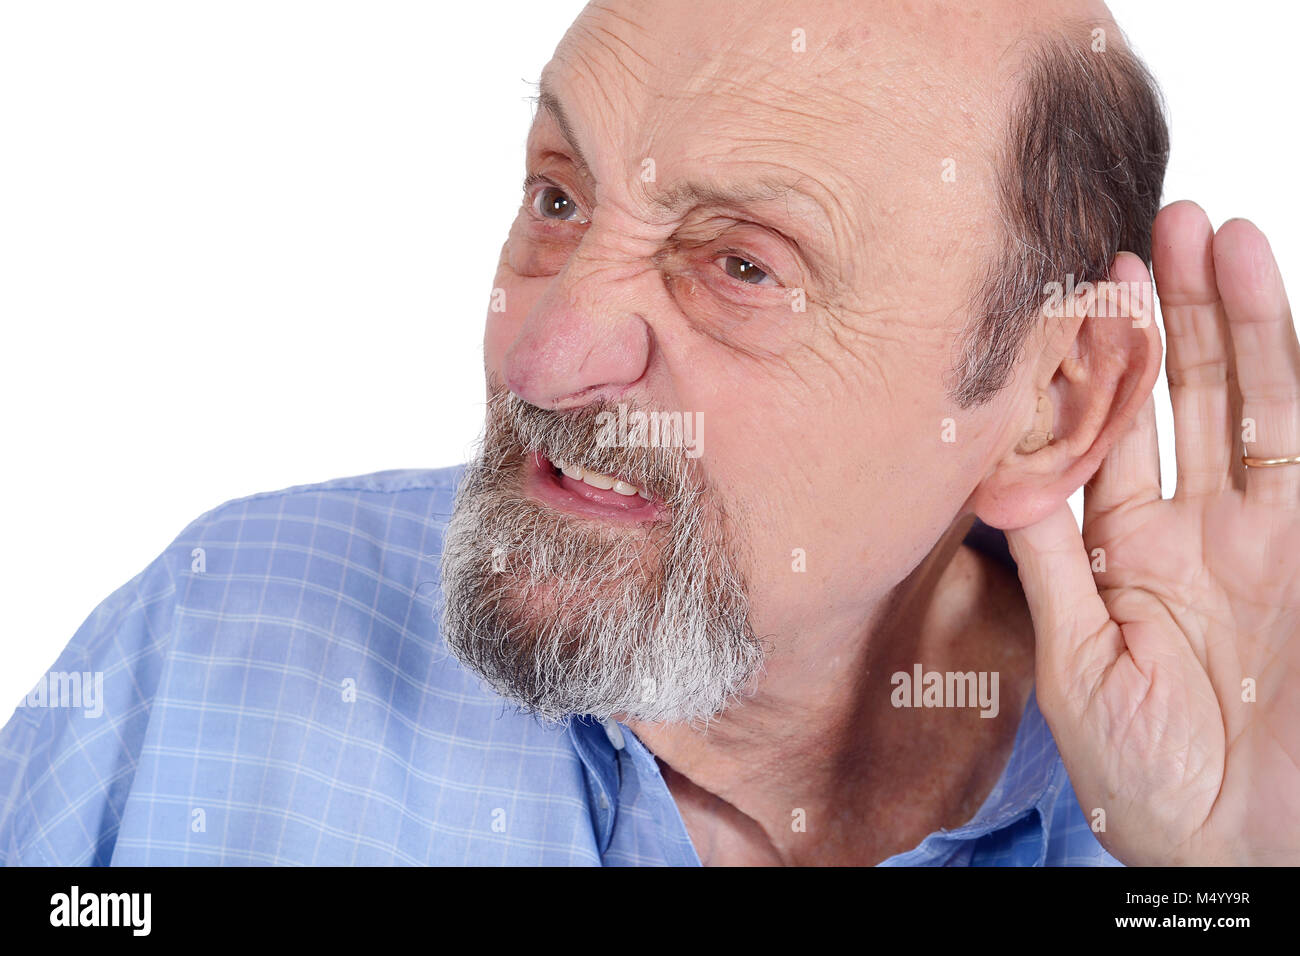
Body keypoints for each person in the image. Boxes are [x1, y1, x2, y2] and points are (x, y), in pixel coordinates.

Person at [2, 0, 1296, 866]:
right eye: (559, 196)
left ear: (1050, 402)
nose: (542, 358)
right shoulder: (208, 647)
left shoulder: (1206, 807)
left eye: (740, 268)